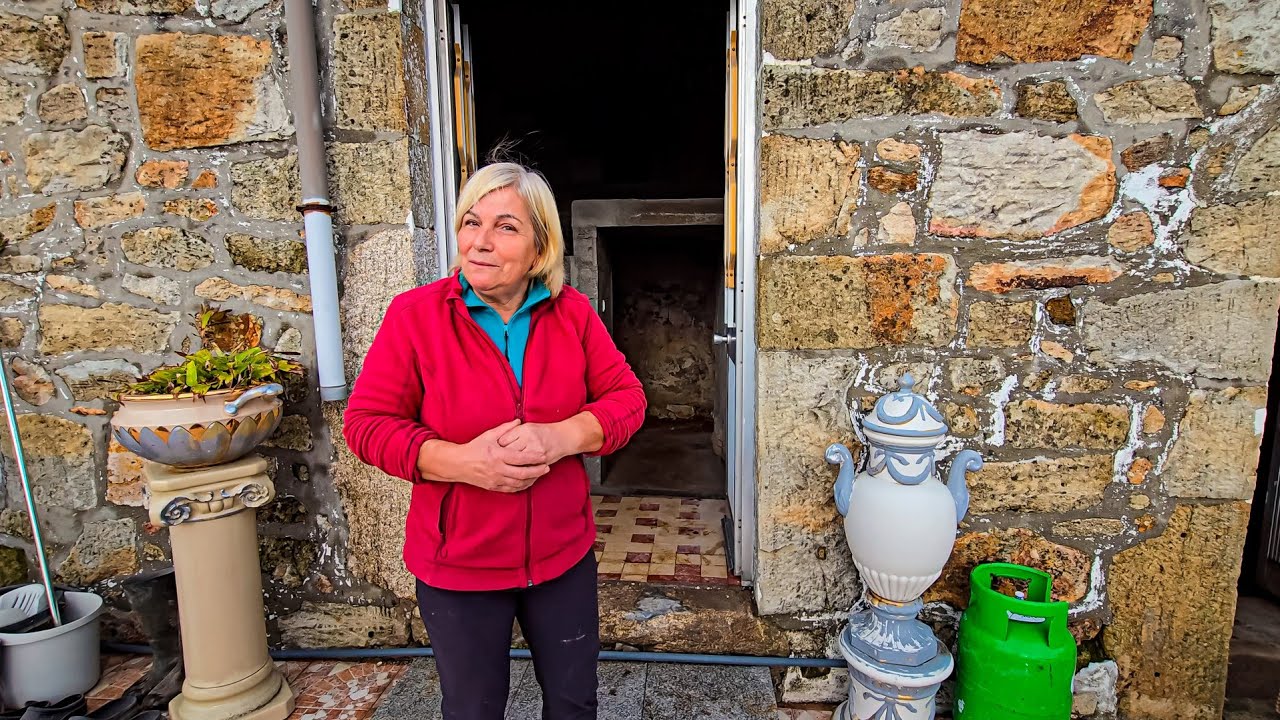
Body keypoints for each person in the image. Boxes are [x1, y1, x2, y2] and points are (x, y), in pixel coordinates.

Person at [342, 162, 646, 720]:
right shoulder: (416, 317)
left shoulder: (572, 314)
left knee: (575, 703)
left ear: (539, 247)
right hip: (459, 564)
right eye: (470, 222)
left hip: (561, 557)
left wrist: (562, 437)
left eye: (505, 227)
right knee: (473, 708)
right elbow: (366, 424)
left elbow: (627, 399)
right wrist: (460, 462)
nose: (479, 242)